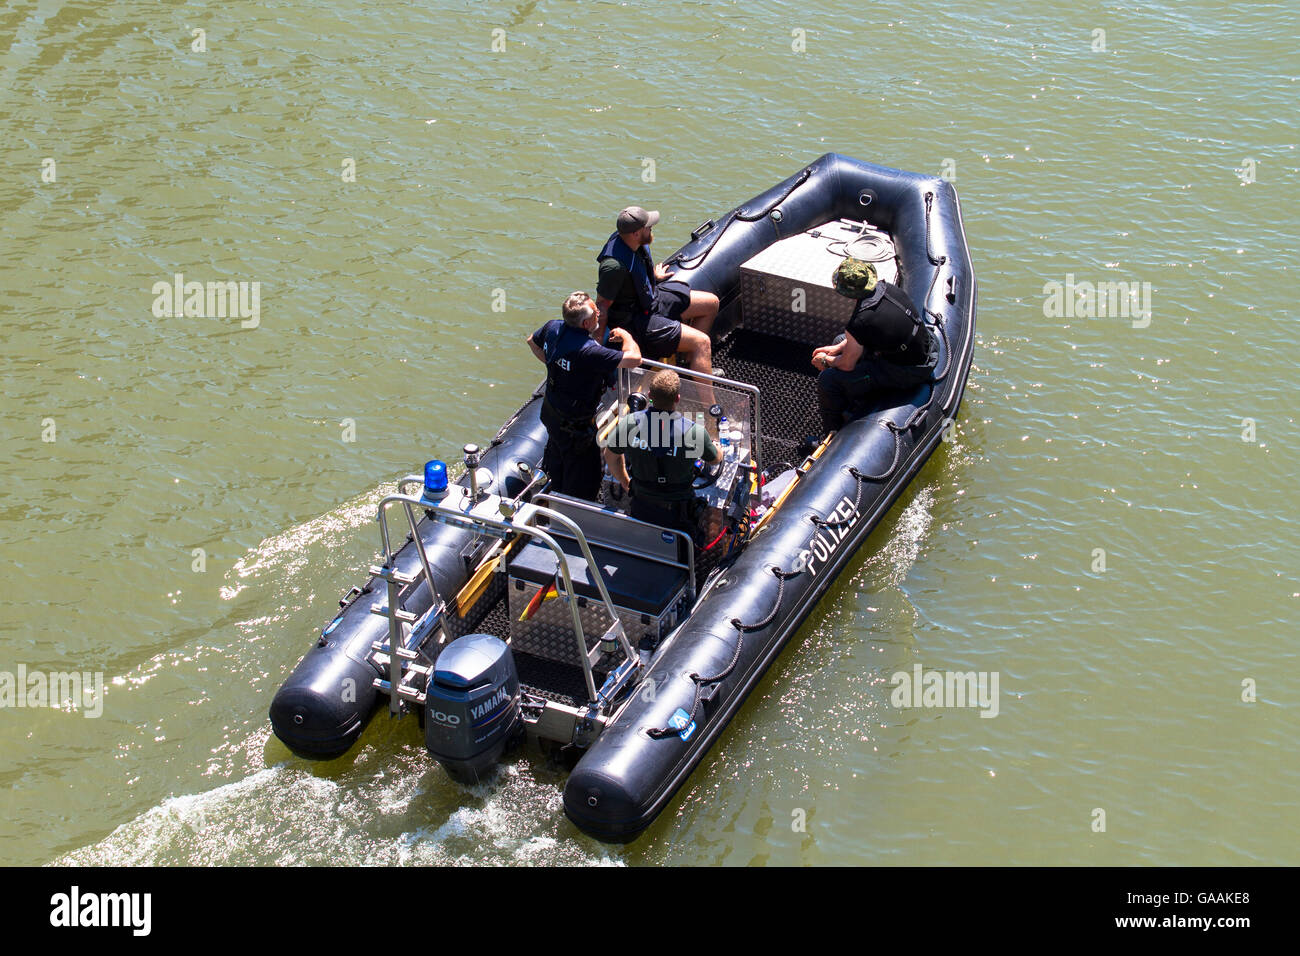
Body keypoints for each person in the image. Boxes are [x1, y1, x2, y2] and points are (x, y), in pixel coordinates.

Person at [527, 291, 641, 500]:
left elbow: (532, 342)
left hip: (552, 414)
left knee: (557, 461)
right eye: (596, 312)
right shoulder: (589, 352)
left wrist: (556, 367)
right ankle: (570, 515)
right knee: (585, 479)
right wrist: (627, 337)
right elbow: (634, 359)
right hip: (577, 429)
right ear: (587, 323)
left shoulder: (553, 327)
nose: (599, 313)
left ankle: (553, 493)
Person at [812, 259, 938, 434]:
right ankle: (858, 399)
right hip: (919, 351)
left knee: (828, 380)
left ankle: (832, 431)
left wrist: (826, 361)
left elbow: (847, 364)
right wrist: (836, 350)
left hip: (907, 371)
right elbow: (859, 336)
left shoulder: (860, 320)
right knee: (839, 340)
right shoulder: (889, 289)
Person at [595, 206, 719, 376]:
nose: (651, 228)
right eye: (648, 227)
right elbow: (601, 307)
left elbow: (636, 270)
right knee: (702, 342)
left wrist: (651, 275)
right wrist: (596, 349)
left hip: (651, 300)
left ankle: (691, 366)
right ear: (636, 233)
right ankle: (709, 403)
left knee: (711, 303)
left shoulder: (633, 242)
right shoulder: (613, 267)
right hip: (636, 320)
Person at [603, 368, 719, 535]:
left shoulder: (630, 423)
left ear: (649, 395)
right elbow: (714, 460)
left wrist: (625, 481)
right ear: (677, 398)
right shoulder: (693, 431)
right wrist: (718, 447)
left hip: (641, 506)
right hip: (679, 514)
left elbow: (610, 456)